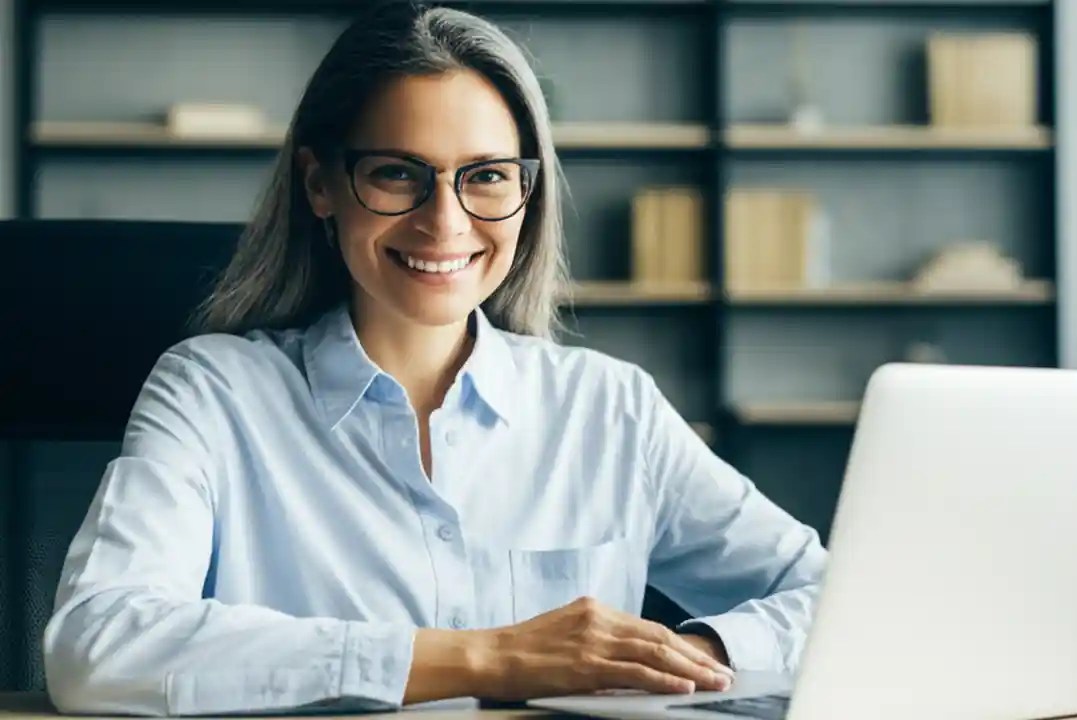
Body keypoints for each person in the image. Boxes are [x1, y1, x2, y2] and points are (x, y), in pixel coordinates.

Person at [41, 1, 826, 715]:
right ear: (321, 184)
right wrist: (490, 657)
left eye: (485, 177)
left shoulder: (609, 407)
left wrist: (696, 655)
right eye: (396, 174)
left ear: (529, 192)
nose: (444, 222)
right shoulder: (213, 394)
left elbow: (836, 593)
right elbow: (97, 644)